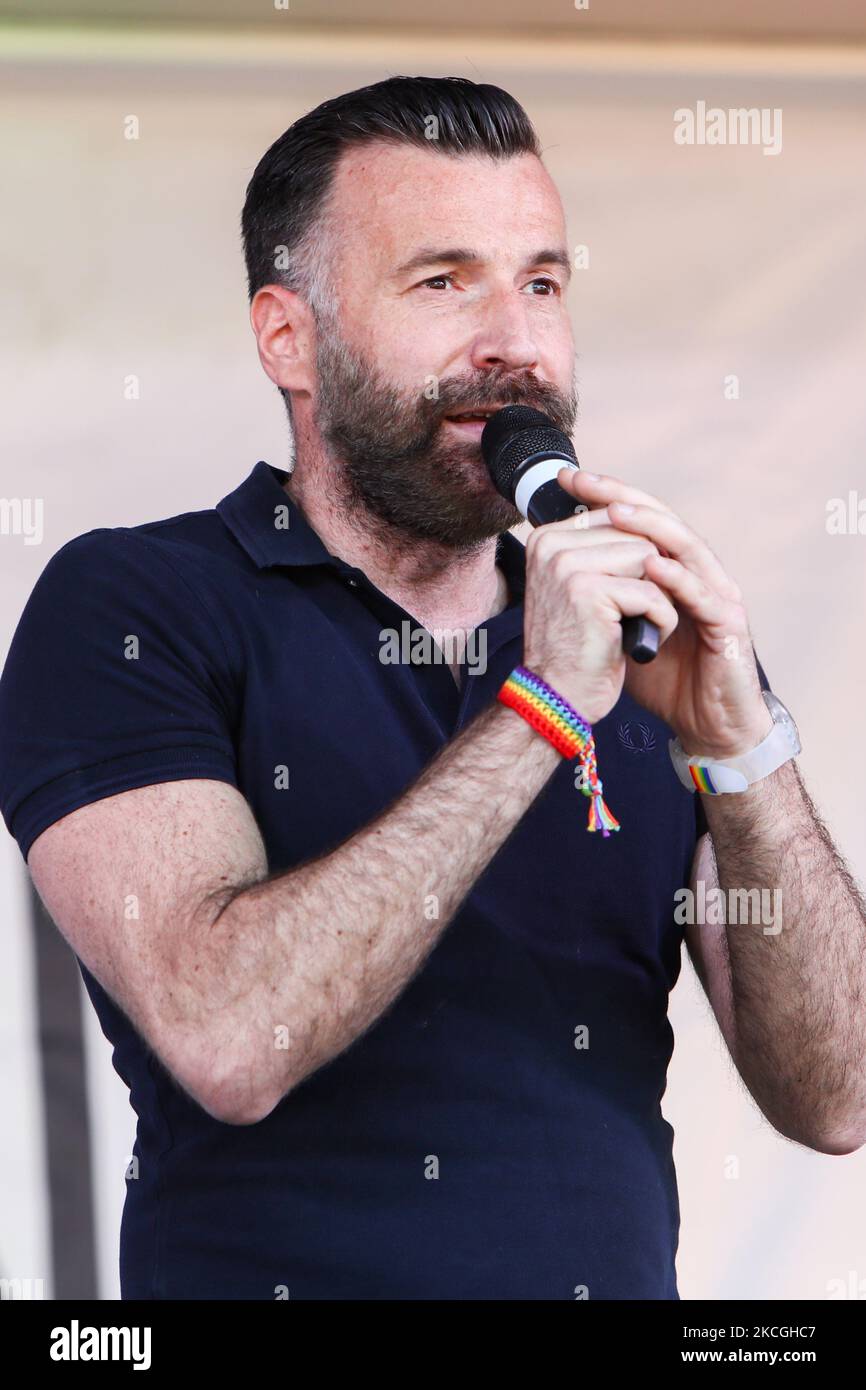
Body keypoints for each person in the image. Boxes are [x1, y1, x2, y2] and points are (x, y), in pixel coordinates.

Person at [1, 76, 863, 1302]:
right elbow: (232, 1038)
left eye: (542, 282)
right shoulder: (137, 605)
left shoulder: (631, 632)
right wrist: (540, 711)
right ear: (286, 337)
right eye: (442, 281)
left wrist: (740, 747)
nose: (511, 339)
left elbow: (838, 1099)